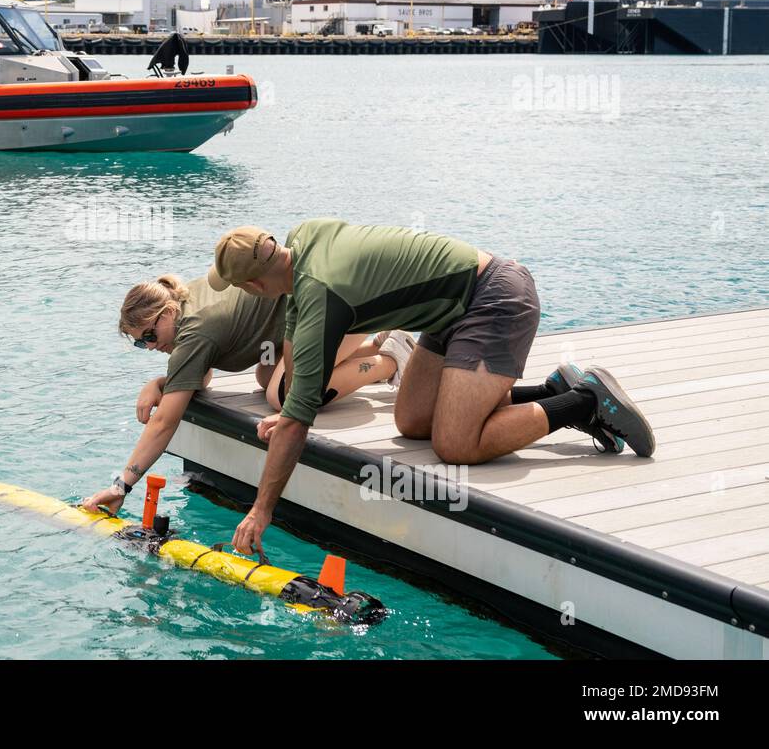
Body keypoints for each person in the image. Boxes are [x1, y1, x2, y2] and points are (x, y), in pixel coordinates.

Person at [205, 221, 657, 557]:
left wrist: (261, 509)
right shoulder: (304, 238)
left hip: (495, 299)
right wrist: (287, 412)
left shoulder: (323, 296)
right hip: (451, 311)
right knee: (412, 420)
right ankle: (551, 388)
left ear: (253, 285)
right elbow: (295, 329)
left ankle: (584, 401)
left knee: (456, 442)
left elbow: (300, 417)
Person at [81, 273, 415, 513]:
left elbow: (165, 422)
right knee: (268, 372)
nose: (150, 346)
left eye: (149, 336)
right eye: (141, 343)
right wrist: (159, 383)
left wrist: (121, 486)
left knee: (283, 395)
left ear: (167, 314)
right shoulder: (185, 305)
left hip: (339, 308)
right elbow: (201, 376)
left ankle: (387, 361)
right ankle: (377, 344)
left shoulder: (195, 331)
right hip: (324, 309)